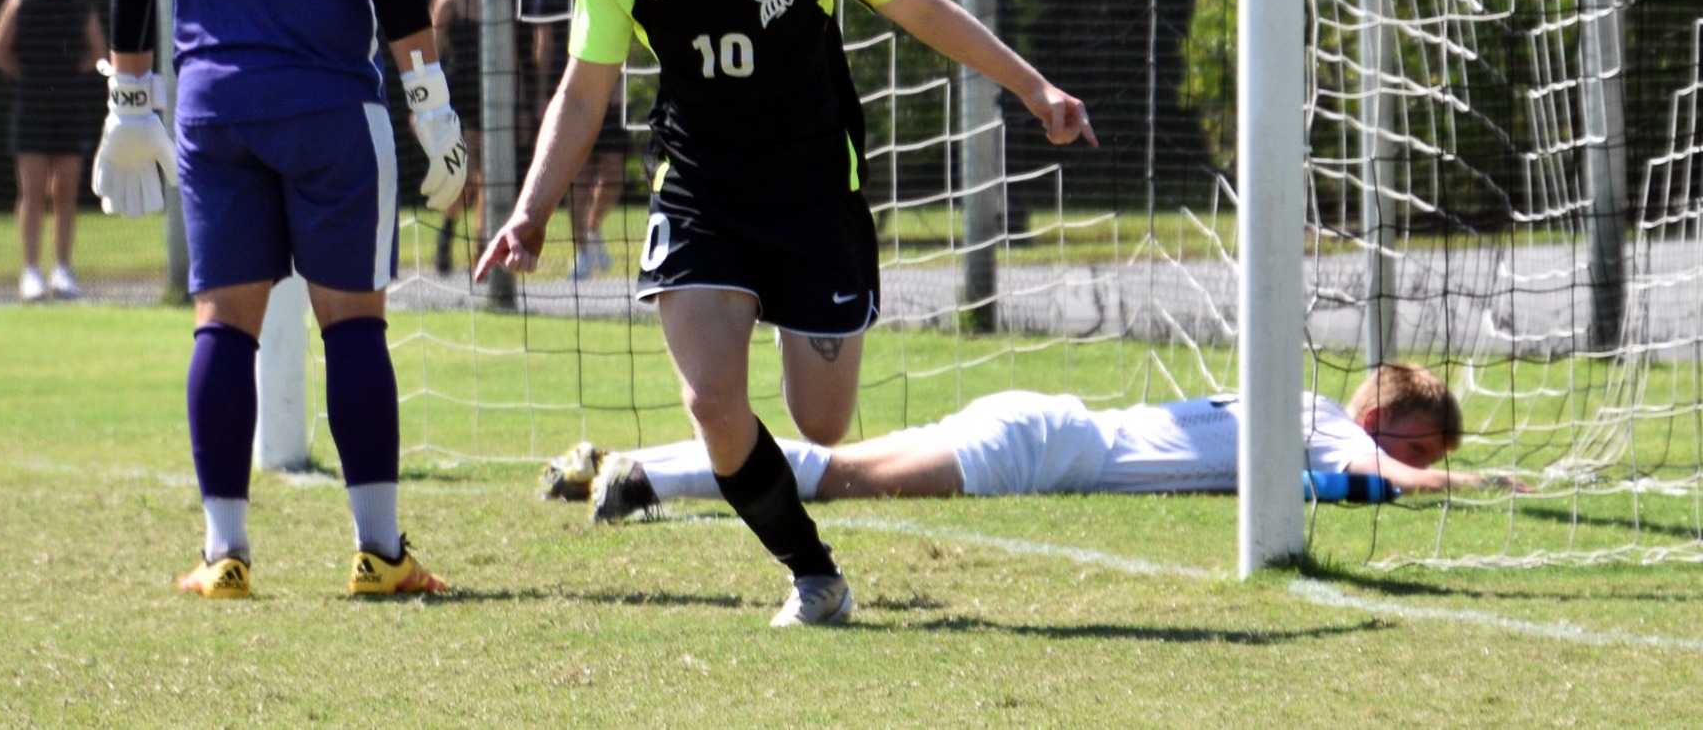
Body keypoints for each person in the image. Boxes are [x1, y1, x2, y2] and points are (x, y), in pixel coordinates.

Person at [474, 0, 1097, 627]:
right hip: (701, 196)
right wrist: (532, 211)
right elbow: (583, 90)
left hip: (813, 197)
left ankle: (789, 322)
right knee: (711, 401)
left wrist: (1033, 87)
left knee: (824, 425)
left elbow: (917, 4)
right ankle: (814, 575)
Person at [96, 0, 468, 600]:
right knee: (354, 325)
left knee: (223, 324)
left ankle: (226, 554)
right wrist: (430, 103)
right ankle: (379, 553)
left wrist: (128, 103)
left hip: (213, 109)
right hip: (328, 106)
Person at [546, 363, 1527, 522]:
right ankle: (650, 476)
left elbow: (1364, 482)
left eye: (1435, 451)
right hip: (1050, 446)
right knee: (845, 476)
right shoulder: (1321, 415)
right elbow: (1380, 475)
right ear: (1378, 409)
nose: (1424, 458)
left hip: (1046, 428)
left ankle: (617, 461)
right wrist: (1496, 479)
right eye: (1424, 439)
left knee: (855, 468)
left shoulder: (1306, 411)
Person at [0, 0, 107, 301]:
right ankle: (31, 272)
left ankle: (63, 271)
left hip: (70, 104)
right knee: (32, 191)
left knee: (66, 191)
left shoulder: (80, 4)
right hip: (31, 104)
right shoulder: (20, 2)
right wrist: (28, 75)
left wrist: (69, 74)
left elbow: (100, 53)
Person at [527, 0, 627, 280]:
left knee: (613, 172)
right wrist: (542, 95)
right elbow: (542, 45)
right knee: (577, 173)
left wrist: (619, 82)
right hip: (565, 87)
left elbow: (623, 34)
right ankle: (583, 250)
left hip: (606, 85)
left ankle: (591, 229)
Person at [429, 0, 483, 274]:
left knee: (488, 175)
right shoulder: (448, 0)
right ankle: (444, 244)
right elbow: (430, 53)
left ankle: (484, 249)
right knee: (464, 172)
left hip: (488, 93)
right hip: (457, 91)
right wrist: (425, 104)